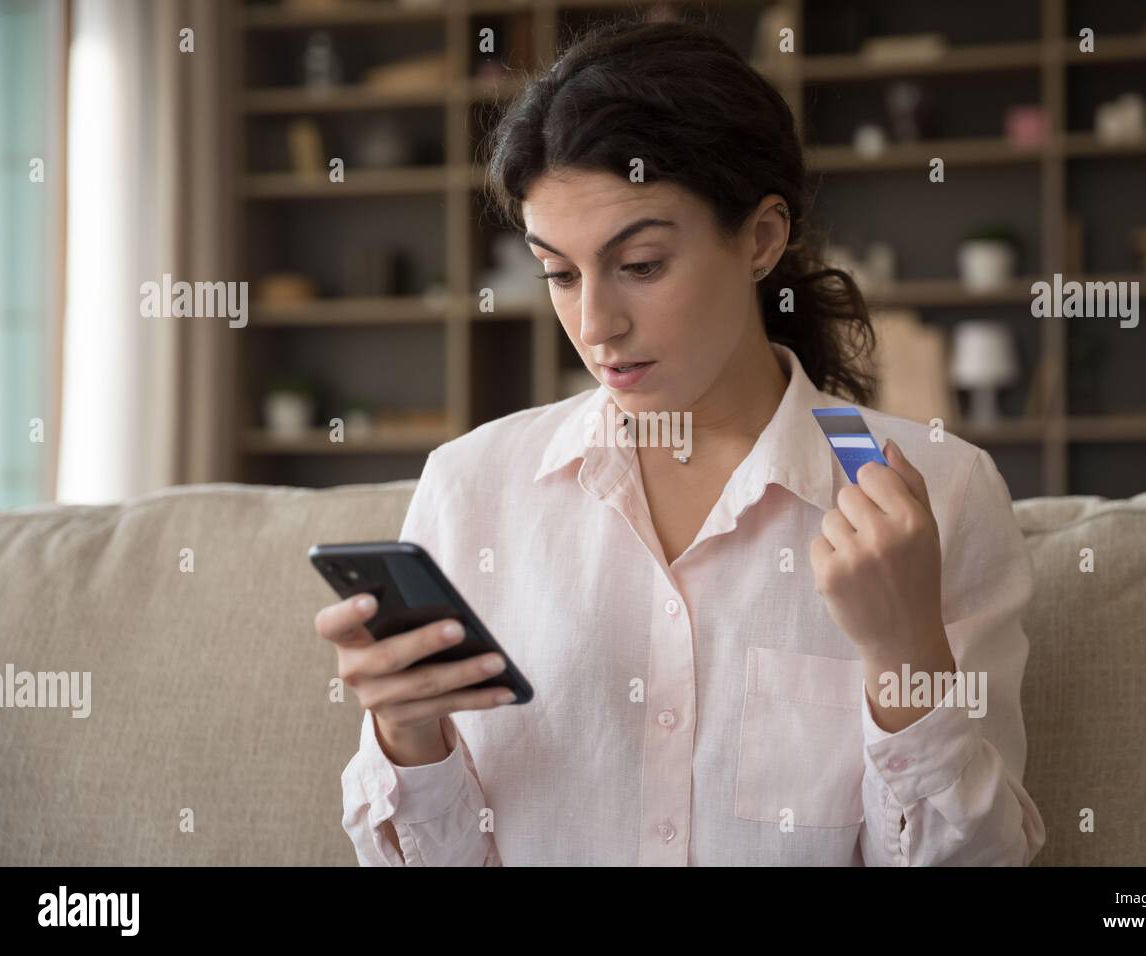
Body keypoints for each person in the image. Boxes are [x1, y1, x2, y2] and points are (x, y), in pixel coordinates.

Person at [319, 18, 1046, 866]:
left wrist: (903, 658)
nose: (595, 325)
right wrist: (409, 736)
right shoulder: (470, 487)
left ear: (763, 238)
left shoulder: (941, 492)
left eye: (643, 264)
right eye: (559, 273)